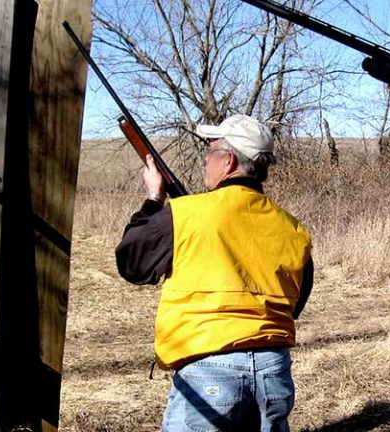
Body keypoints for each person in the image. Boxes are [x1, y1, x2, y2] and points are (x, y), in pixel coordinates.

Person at [115, 114, 314, 432]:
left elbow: (132, 263)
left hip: (209, 371)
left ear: (229, 160)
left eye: (210, 150)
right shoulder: (293, 228)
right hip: (273, 373)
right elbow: (296, 302)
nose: (205, 159)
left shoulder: (186, 213)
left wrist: (154, 199)